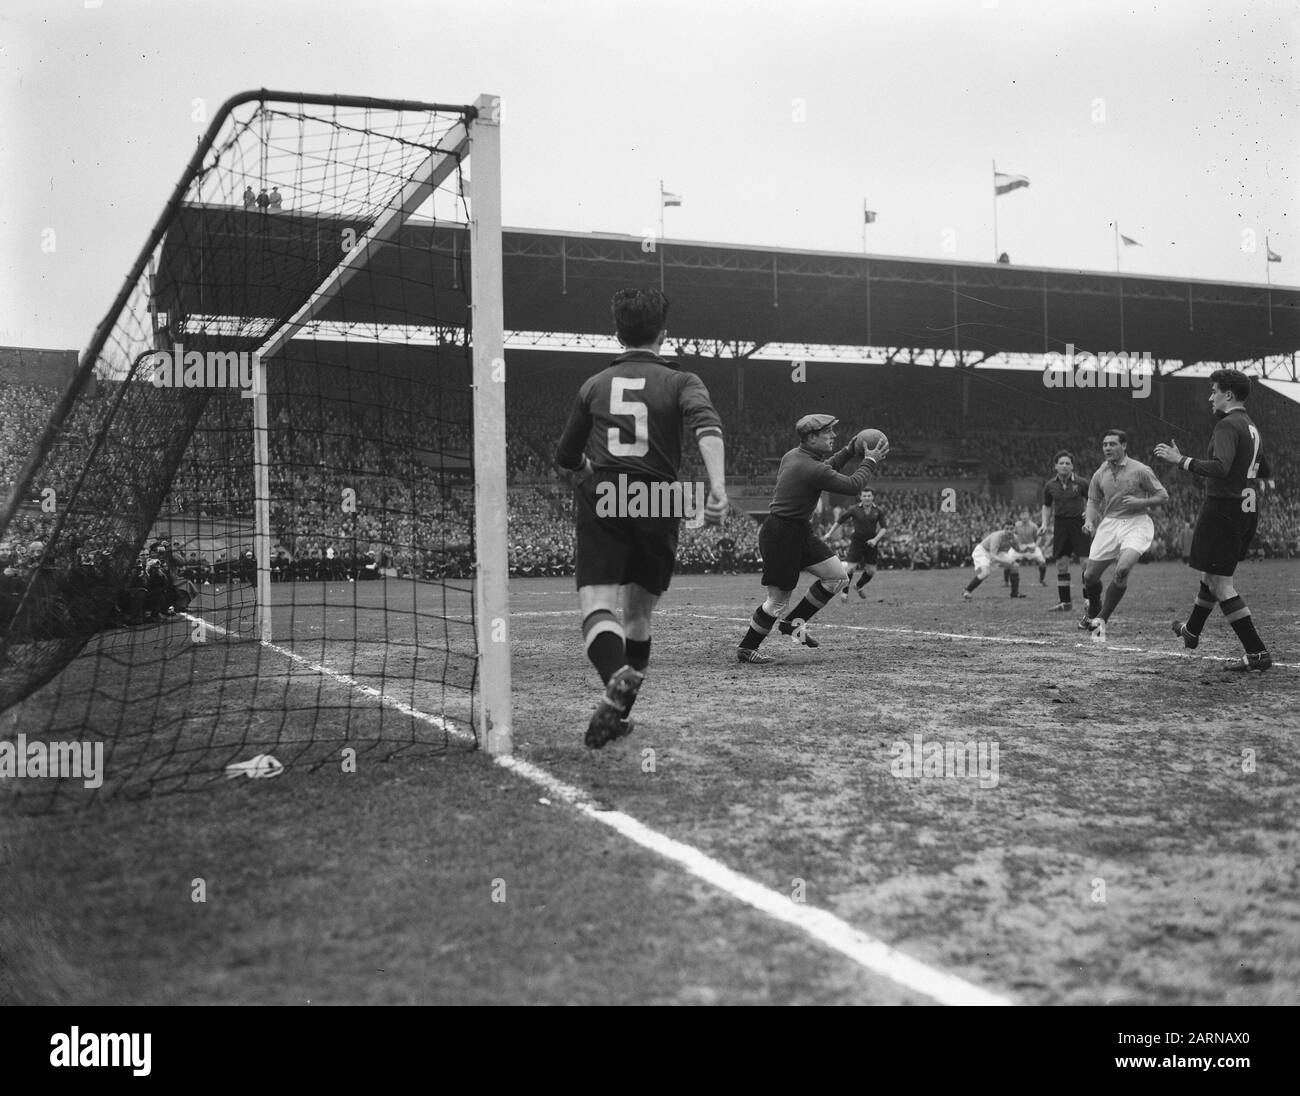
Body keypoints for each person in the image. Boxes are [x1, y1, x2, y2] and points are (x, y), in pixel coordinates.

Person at [554, 288, 727, 748]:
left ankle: (615, 676)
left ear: (616, 334)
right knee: (639, 618)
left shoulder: (593, 385)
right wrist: (717, 488)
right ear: (663, 335)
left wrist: (591, 477)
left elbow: (566, 456)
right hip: (664, 499)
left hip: (608, 493)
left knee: (597, 606)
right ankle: (617, 712)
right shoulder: (683, 381)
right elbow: (708, 428)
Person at [735, 415, 888, 663]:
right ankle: (747, 647)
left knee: (837, 577)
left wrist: (849, 450)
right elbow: (851, 485)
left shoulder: (795, 456)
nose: (834, 436)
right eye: (828, 432)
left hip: (798, 531)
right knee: (776, 601)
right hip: (781, 536)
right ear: (811, 437)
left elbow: (826, 467)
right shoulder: (809, 467)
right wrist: (869, 461)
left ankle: (792, 625)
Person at [1155, 369, 1272, 671]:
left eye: (1214, 390)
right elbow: (1265, 469)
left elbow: (1221, 468)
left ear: (1228, 395)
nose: (1210, 396)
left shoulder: (1227, 424)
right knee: (1211, 576)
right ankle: (1191, 632)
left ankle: (1257, 653)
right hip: (1247, 508)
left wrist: (1179, 460)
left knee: (1221, 583)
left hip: (1224, 510)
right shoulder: (1251, 426)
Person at [1079, 429, 1168, 643]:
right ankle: (1094, 610)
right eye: (1105, 444)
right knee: (1089, 576)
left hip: (1137, 523)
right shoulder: (1100, 473)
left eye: (1112, 444)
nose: (1107, 448)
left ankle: (1100, 620)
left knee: (1122, 569)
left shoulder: (1140, 470)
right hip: (1110, 524)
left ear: (1124, 446)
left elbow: (1162, 495)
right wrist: (1089, 521)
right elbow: (1092, 500)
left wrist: (1141, 502)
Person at [1041, 450, 1092, 611]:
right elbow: (1047, 505)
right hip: (1060, 525)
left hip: (1080, 525)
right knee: (1061, 564)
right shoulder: (1050, 485)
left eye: (1067, 463)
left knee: (1086, 563)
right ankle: (1065, 602)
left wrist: (1090, 515)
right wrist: (1044, 523)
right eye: (1061, 463)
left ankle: (1089, 600)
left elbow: (1094, 500)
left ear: (1072, 466)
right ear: (1055, 466)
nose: (1064, 466)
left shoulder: (1082, 482)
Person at [827, 487, 887, 600]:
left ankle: (858, 586)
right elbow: (840, 521)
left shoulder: (878, 510)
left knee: (871, 571)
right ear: (861, 497)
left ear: (873, 497)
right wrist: (829, 533)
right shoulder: (854, 509)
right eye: (864, 496)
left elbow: (884, 528)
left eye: (869, 496)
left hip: (871, 542)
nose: (867, 498)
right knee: (850, 569)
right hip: (857, 541)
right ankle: (845, 592)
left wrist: (875, 540)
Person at [962, 523, 1024, 599]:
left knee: (1015, 566)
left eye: (1011, 529)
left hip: (998, 553)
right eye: (1007, 529)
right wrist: (1007, 562)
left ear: (1014, 529)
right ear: (1003, 529)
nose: (1009, 531)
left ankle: (1014, 594)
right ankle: (967, 590)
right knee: (985, 573)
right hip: (983, 552)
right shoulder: (997, 537)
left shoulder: (1014, 538)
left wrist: (1029, 548)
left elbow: (1019, 550)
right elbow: (993, 557)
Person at [1012, 509, 1048, 586]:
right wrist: (1016, 545)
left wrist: (1035, 546)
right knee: (1008, 560)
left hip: (1031, 545)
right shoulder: (1016, 525)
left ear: (1029, 517)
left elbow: (1039, 537)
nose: (1024, 519)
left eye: (1025, 517)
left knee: (1042, 562)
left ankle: (1041, 580)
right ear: (1020, 517)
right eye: (1023, 517)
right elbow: (1012, 535)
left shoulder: (1033, 526)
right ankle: (1006, 582)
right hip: (1019, 545)